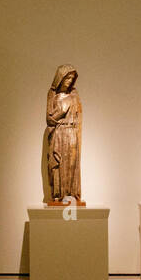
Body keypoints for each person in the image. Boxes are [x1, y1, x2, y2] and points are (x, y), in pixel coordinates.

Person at [44, 64, 84, 206]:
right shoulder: (53, 96)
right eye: (67, 78)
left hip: (72, 134)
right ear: (60, 78)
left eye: (72, 79)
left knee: (72, 163)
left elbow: (79, 117)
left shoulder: (74, 97)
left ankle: (71, 193)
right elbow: (49, 119)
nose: (69, 81)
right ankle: (59, 194)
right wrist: (61, 111)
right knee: (59, 163)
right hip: (59, 134)